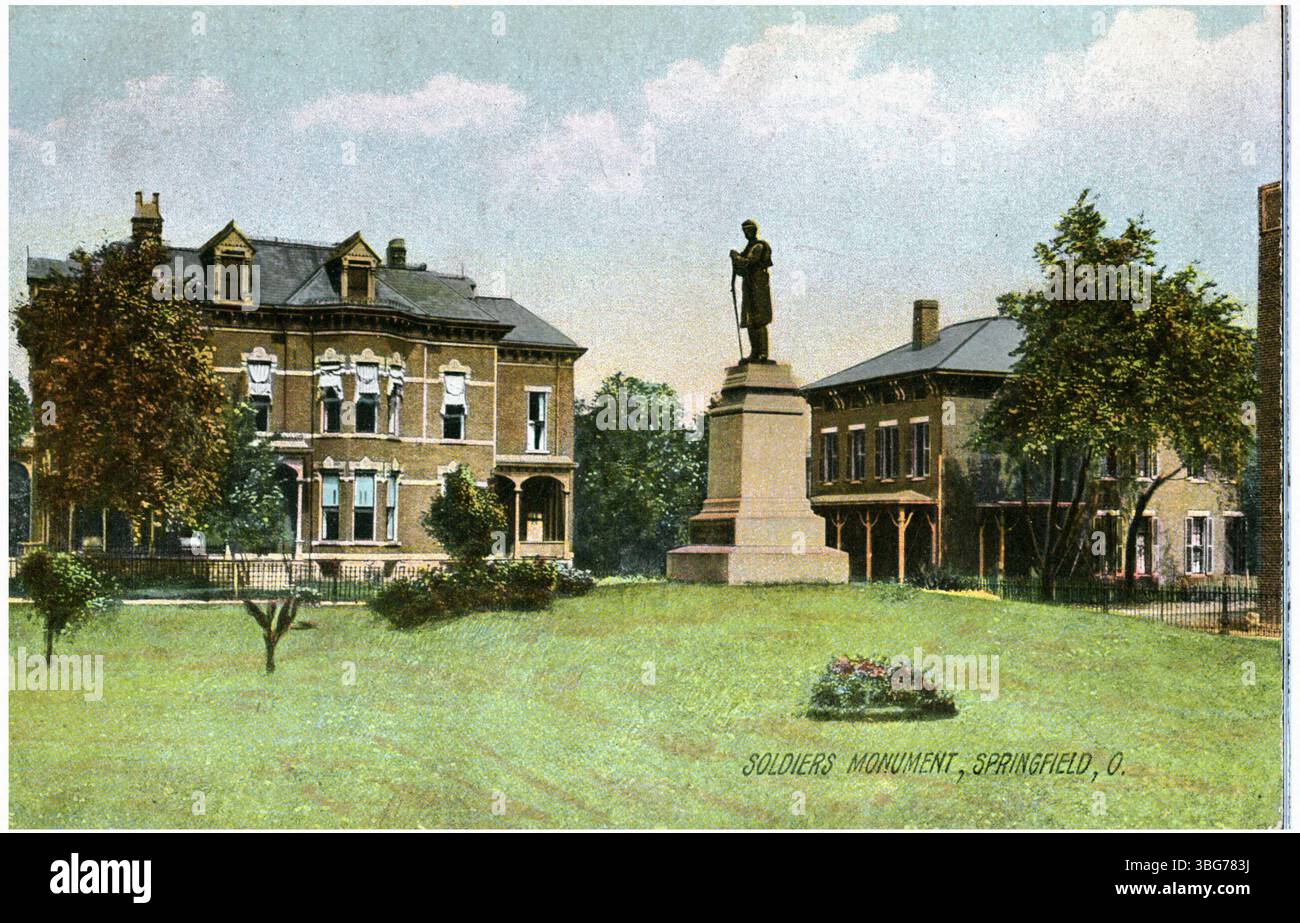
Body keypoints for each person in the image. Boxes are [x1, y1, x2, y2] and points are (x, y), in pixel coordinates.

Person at [729, 219, 773, 362]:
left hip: (758, 286)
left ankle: (763, 353)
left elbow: (748, 262)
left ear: (754, 230)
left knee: (759, 319)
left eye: (748, 230)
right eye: (744, 231)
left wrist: (736, 257)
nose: (746, 233)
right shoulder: (748, 247)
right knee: (750, 320)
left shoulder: (758, 246)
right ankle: (754, 352)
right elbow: (742, 269)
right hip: (749, 285)